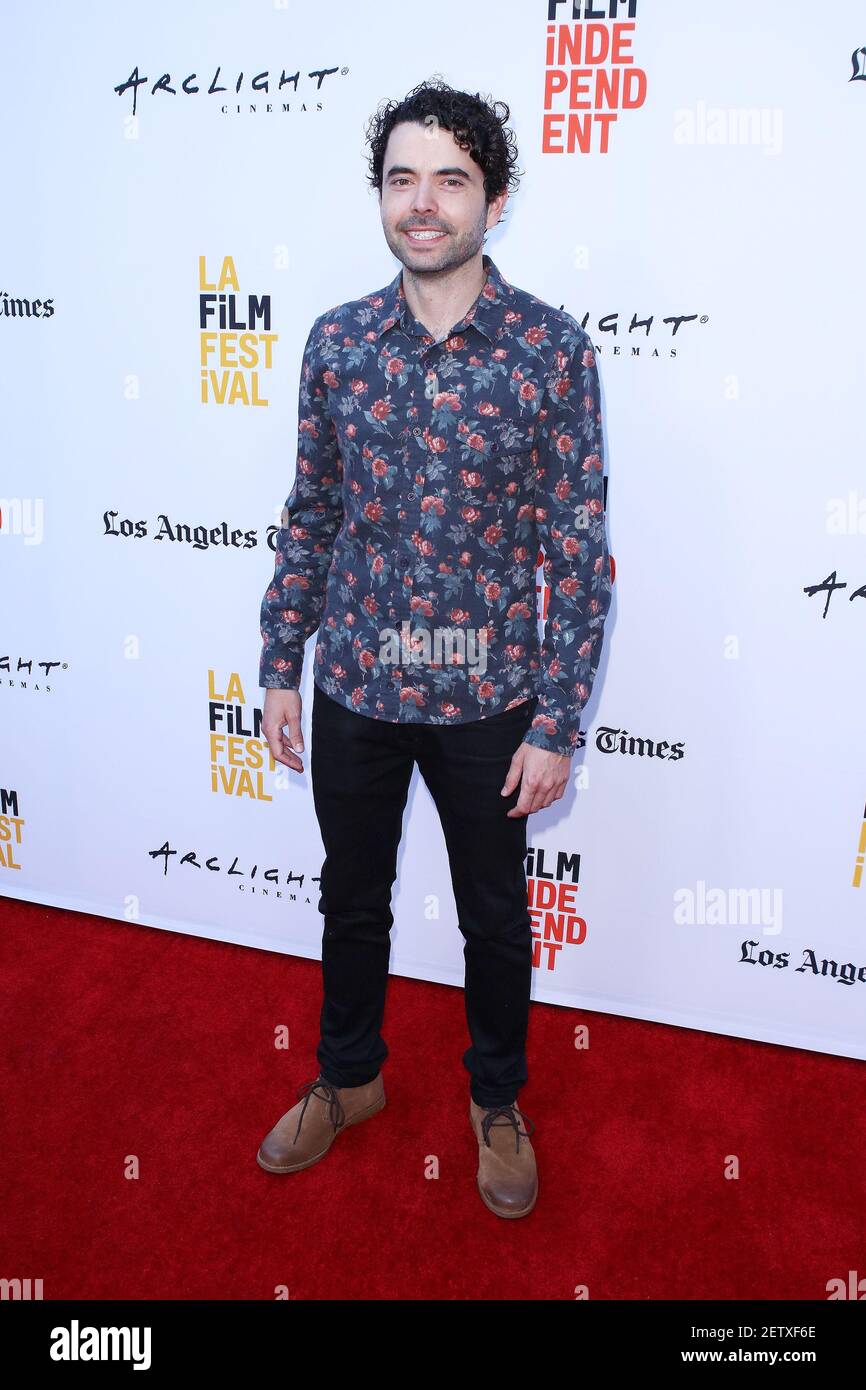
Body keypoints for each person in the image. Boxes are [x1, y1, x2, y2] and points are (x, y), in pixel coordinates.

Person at [255, 77, 612, 1218]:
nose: (423, 201)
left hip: (491, 697)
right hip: (354, 679)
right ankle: (348, 1077)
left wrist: (555, 721)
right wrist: (277, 664)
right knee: (350, 897)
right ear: (380, 197)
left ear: (490, 201)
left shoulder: (549, 350)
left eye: (448, 179)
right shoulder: (336, 342)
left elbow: (579, 547)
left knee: (492, 915)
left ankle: (494, 1099)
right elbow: (310, 512)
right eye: (402, 178)